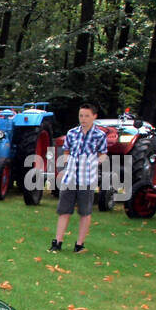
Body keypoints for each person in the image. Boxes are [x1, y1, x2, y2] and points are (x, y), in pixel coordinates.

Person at [51, 101, 108, 253]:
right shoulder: (72, 133)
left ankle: (79, 244)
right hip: (70, 178)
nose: (83, 119)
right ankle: (57, 242)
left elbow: (103, 155)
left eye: (87, 116)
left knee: (85, 212)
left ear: (94, 117)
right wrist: (66, 164)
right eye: (81, 116)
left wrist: (94, 163)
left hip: (87, 180)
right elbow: (66, 151)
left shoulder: (100, 135)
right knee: (64, 211)